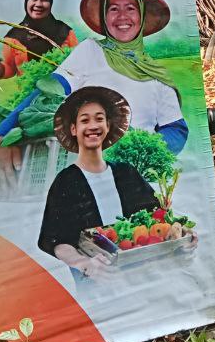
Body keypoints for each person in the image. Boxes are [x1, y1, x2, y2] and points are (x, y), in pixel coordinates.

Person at [0, 0, 189, 183]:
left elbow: (175, 129)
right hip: (87, 173)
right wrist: (1, 135)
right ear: (105, 17)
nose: (122, 16)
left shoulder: (156, 73)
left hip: (136, 179)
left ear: (141, 16)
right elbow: (47, 93)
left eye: (130, 8)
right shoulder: (90, 51)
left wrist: (142, 151)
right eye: (113, 9)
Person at [38, 86, 160, 279]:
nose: (93, 126)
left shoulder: (126, 173)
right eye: (85, 120)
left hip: (143, 275)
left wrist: (180, 233)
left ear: (108, 125)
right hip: (99, 284)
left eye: (99, 118)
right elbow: (57, 241)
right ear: (73, 129)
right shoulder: (66, 182)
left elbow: (156, 218)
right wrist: (84, 264)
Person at [0, 0, 78, 80]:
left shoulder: (65, 31)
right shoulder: (13, 37)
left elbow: (76, 61)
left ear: (51, 4)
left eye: (44, 0)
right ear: (26, 2)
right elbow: (9, 68)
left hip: (63, 91)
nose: (38, 4)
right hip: (31, 93)